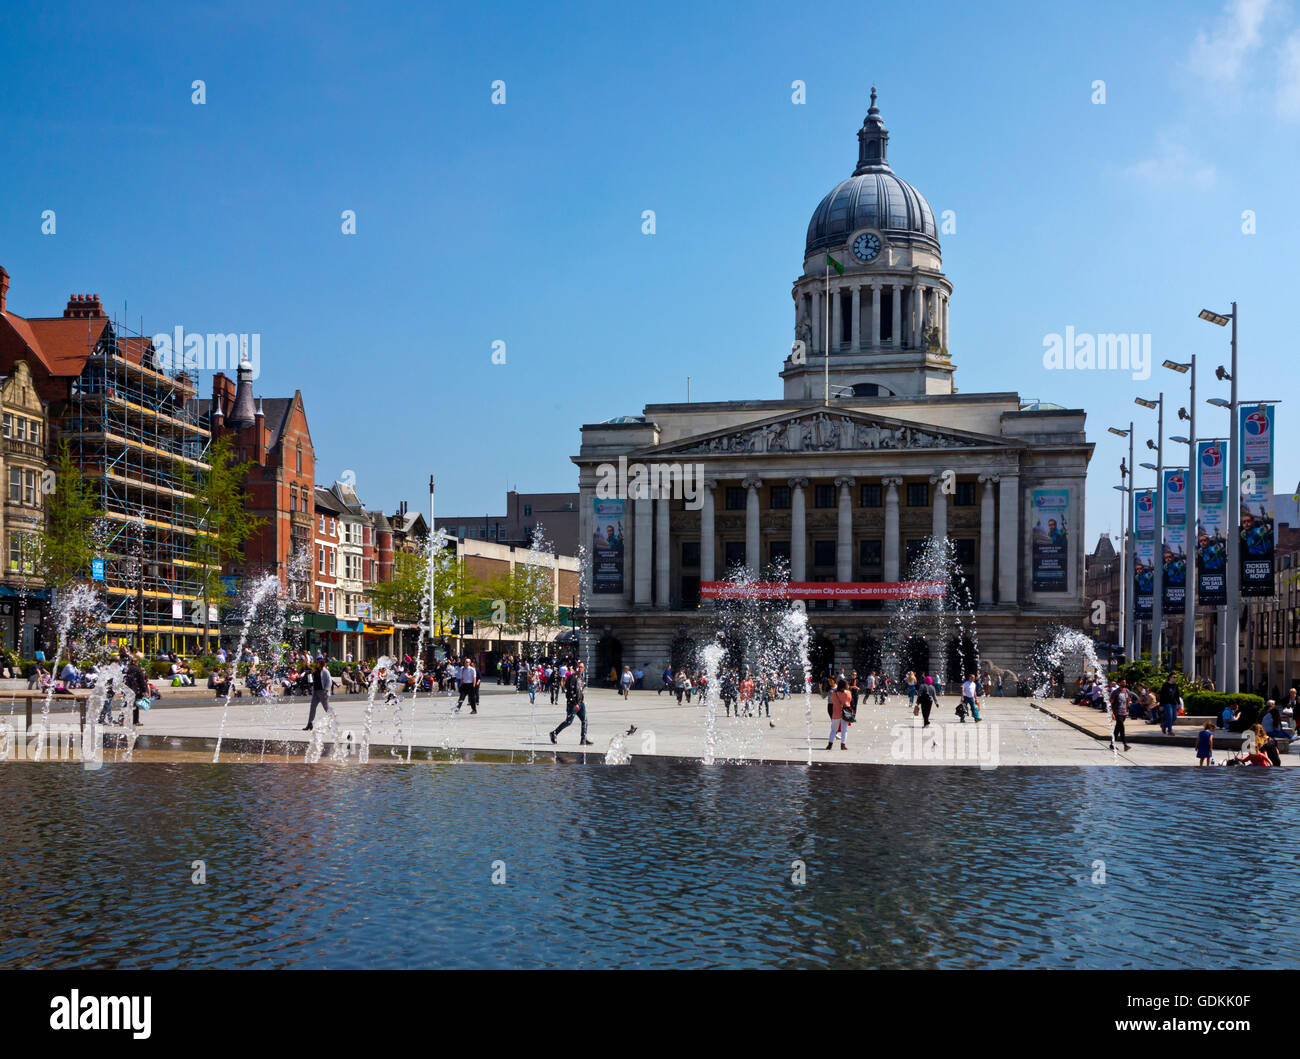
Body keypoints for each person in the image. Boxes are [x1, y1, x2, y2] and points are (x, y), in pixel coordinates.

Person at [550, 662, 592, 745]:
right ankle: (554, 733)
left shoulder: (582, 678)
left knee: (585, 721)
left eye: (582, 667)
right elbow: (570, 691)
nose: (580, 669)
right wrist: (575, 703)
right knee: (568, 722)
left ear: (584, 669)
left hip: (580, 703)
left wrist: (581, 700)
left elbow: (580, 691)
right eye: (579, 667)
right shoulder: (572, 677)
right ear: (576, 668)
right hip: (572, 704)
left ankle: (583, 739)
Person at [303, 659, 334, 731]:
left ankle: (332, 722)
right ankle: (310, 724)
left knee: (326, 708)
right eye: (316, 662)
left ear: (321, 664)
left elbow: (329, 681)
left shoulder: (325, 671)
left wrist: (326, 689)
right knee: (312, 707)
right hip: (316, 691)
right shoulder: (315, 670)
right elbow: (313, 679)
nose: (316, 664)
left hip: (322, 692)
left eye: (318, 663)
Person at [124, 653, 150, 727]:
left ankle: (122, 719)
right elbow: (141, 681)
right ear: (136, 662)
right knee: (135, 706)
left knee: (126, 704)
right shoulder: (138, 670)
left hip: (126, 689)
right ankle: (135, 721)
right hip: (135, 689)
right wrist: (144, 691)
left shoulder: (126, 669)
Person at [826, 677, 851, 751]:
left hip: (836, 712)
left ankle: (830, 744)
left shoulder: (834, 693)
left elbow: (833, 701)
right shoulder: (848, 693)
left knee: (833, 729)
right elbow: (849, 701)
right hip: (845, 713)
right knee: (844, 729)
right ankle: (843, 745)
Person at [1110, 680, 1131, 752]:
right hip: (1117, 712)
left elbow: (1128, 700)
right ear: (1119, 683)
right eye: (1122, 682)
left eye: (1125, 682)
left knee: (1117, 729)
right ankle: (1125, 744)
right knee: (1122, 728)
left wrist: (1128, 708)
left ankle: (1112, 744)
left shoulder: (1126, 691)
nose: (1124, 683)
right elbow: (1111, 702)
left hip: (1124, 712)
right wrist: (1112, 713)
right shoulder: (1115, 692)